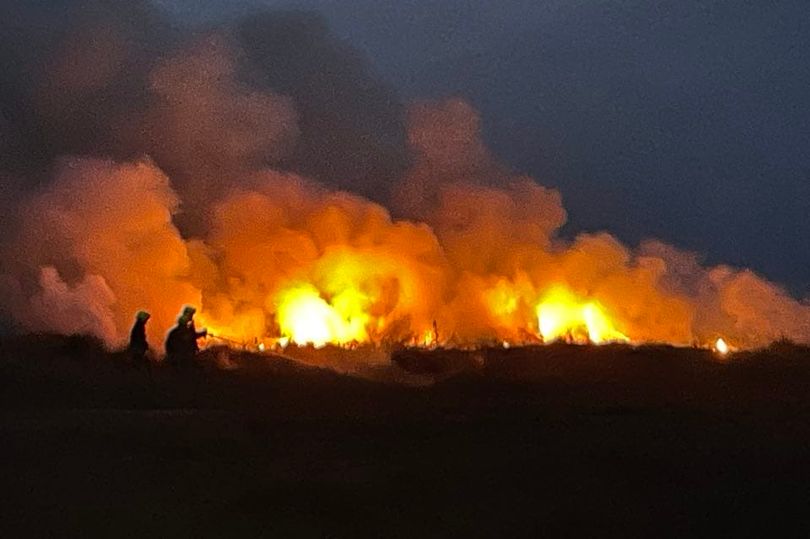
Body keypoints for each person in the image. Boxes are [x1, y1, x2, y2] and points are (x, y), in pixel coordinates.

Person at [165, 306, 207, 371]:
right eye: (192, 314)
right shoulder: (183, 329)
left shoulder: (177, 330)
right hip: (183, 356)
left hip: (180, 355)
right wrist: (202, 333)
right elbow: (191, 337)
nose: (192, 315)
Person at [129, 310, 153, 381]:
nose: (147, 321)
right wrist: (144, 345)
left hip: (137, 349)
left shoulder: (139, 326)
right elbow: (140, 338)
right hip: (137, 350)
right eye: (146, 319)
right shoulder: (139, 327)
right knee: (140, 364)